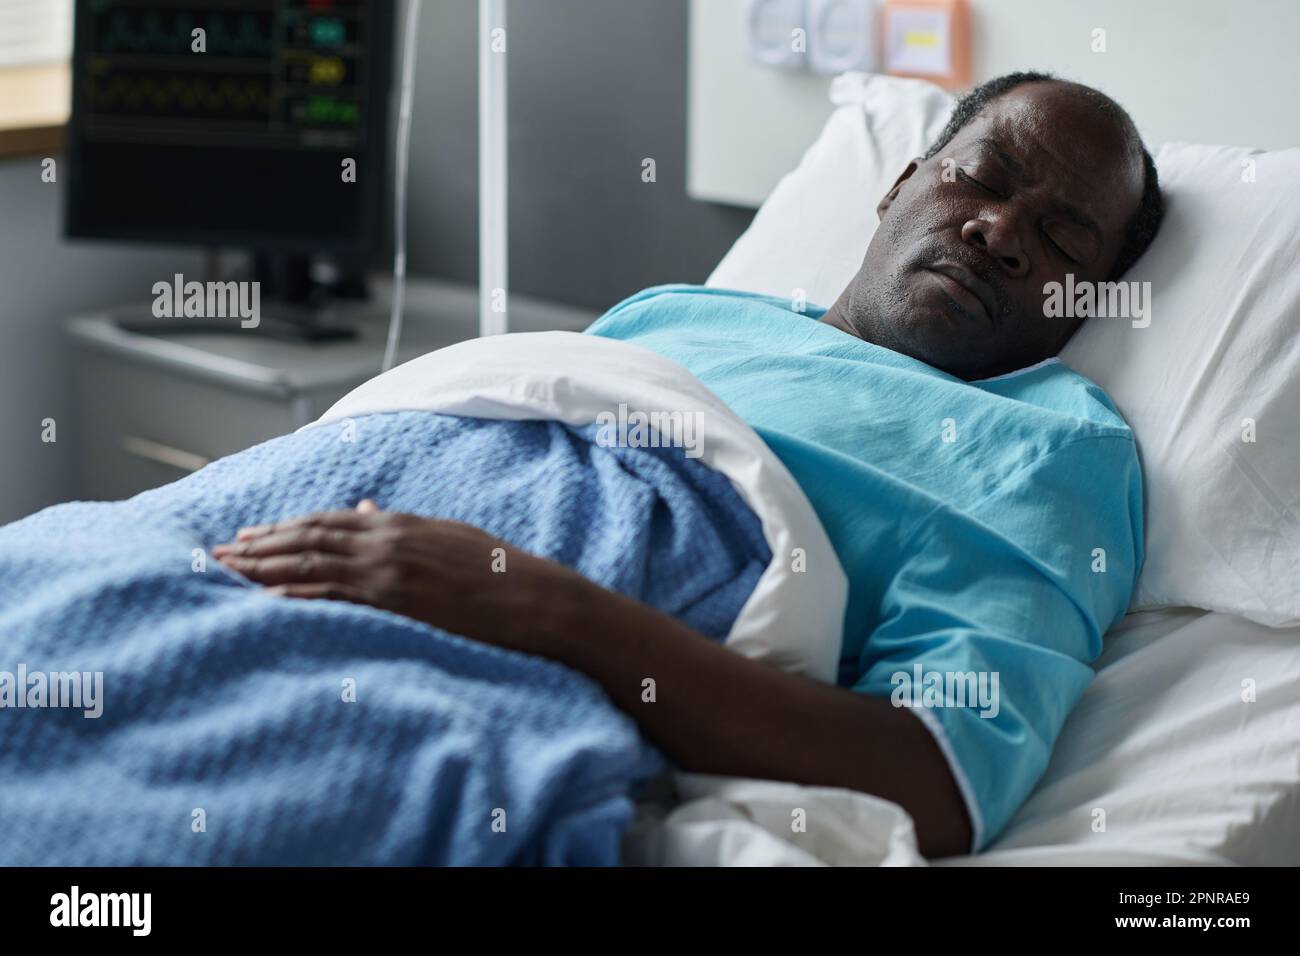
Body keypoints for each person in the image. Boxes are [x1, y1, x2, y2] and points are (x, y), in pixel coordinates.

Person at [212, 73, 1164, 859]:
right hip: (271, 519)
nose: (998, 231)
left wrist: (543, 609)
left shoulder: (1053, 449)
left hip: (471, 659)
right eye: (981, 177)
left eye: (1060, 241)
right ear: (901, 183)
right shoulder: (678, 311)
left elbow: (940, 775)